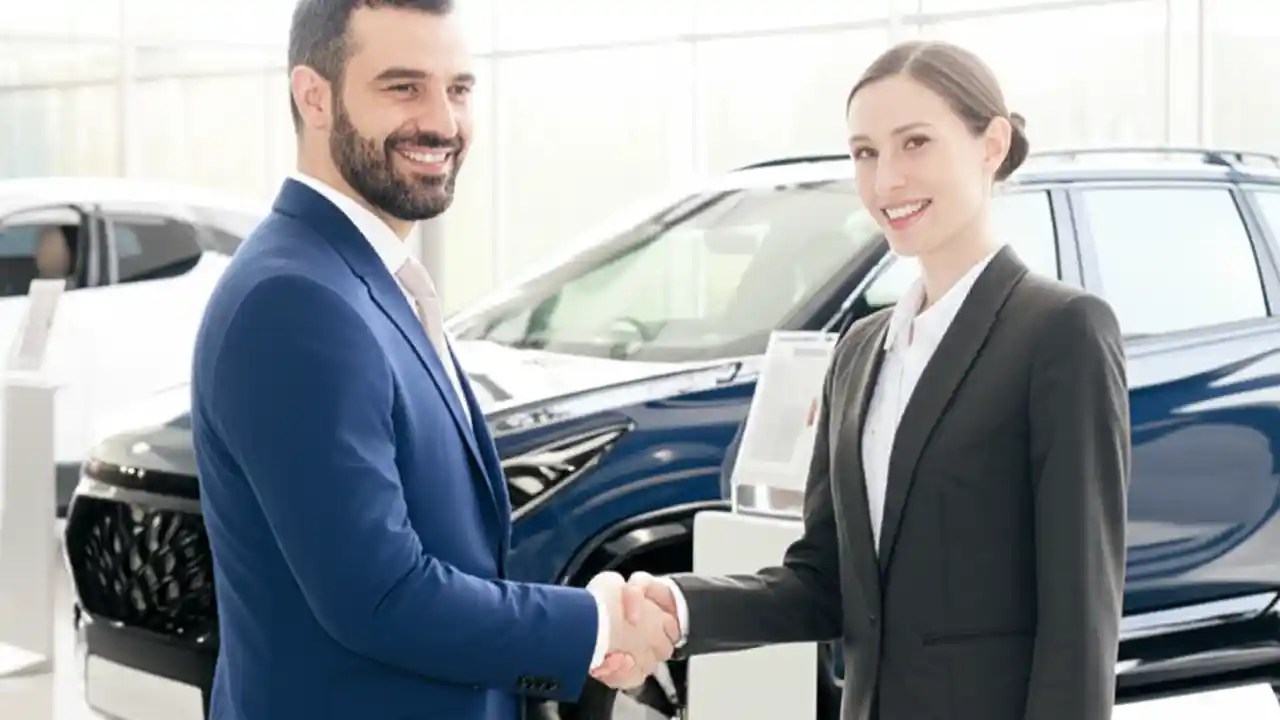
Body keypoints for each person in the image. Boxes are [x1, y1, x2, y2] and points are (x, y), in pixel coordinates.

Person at [605, 40, 1131, 720]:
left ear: (990, 144)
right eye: (865, 153)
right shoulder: (858, 352)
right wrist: (676, 609)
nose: (886, 183)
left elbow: (1080, 618)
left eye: (915, 143)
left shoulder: (1061, 331)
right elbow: (823, 583)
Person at [190, 2, 674, 718]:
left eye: (459, 89)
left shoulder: (362, 278)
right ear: (313, 96)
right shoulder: (296, 300)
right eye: (403, 87)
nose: (443, 124)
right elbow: (382, 596)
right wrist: (594, 624)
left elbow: (447, 547)